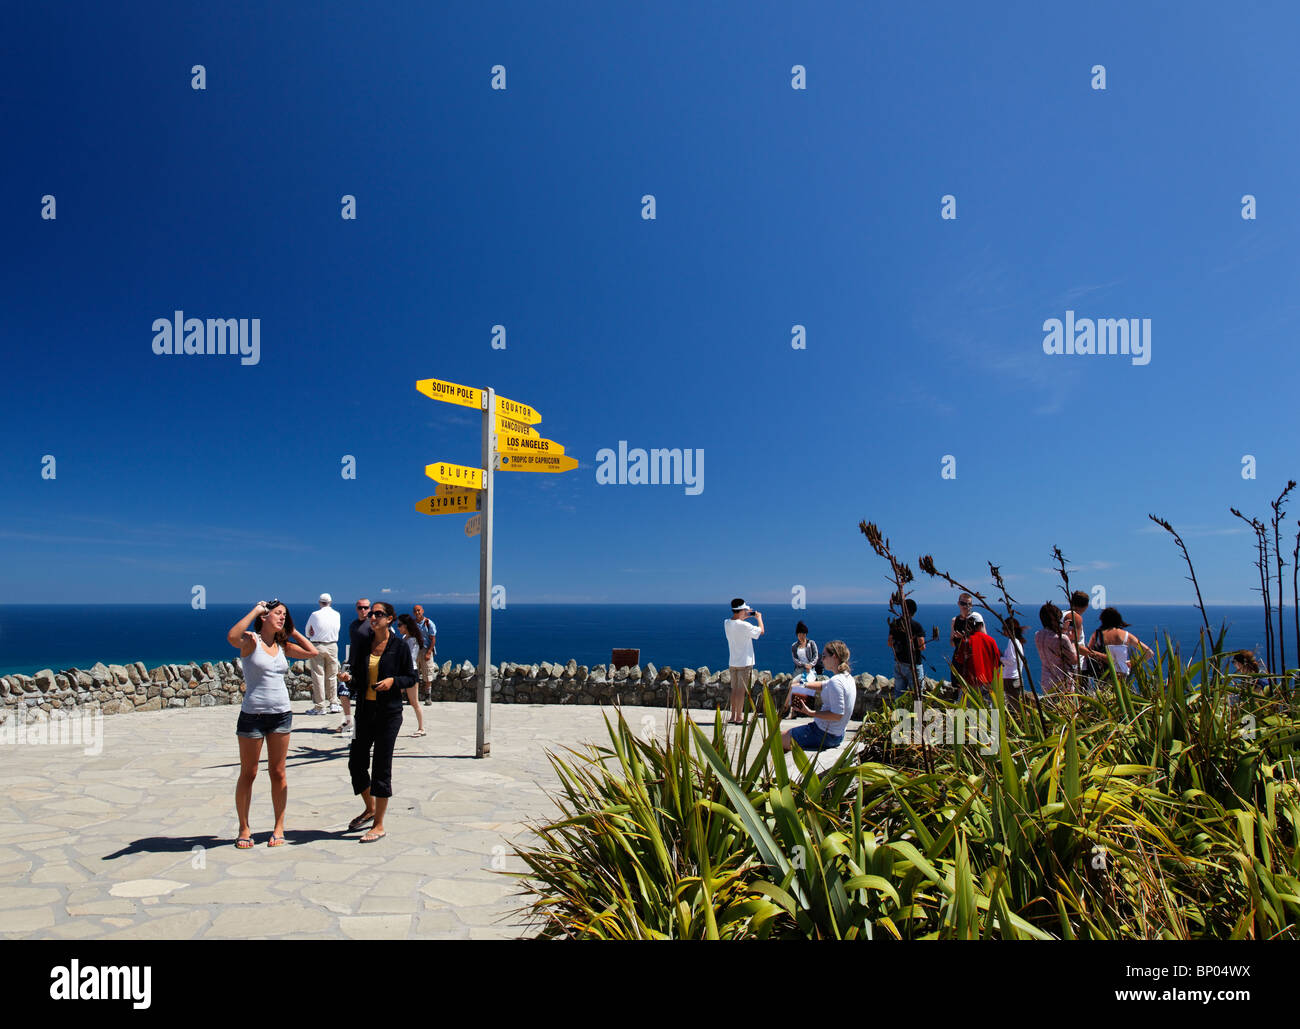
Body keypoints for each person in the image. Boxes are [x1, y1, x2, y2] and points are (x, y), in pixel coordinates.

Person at [226, 600, 318, 849]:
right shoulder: (251, 641)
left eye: (284, 615)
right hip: (252, 716)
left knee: (278, 773)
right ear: (265, 616)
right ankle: (244, 827)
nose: (281, 618)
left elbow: (312, 652)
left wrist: (292, 629)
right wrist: (256, 610)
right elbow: (231, 636)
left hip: (281, 715)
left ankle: (279, 826)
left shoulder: (282, 646)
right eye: (278, 614)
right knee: (250, 772)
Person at [338, 601, 416, 843]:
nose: (373, 617)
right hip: (365, 711)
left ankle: (379, 824)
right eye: (371, 613)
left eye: (378, 614)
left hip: (389, 713)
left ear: (390, 619)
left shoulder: (399, 646)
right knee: (356, 763)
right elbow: (358, 678)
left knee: (382, 766)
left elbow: (411, 677)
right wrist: (348, 678)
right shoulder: (363, 644)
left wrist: (394, 681)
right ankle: (369, 808)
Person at [782, 641, 856, 753]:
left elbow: (837, 715)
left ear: (834, 657)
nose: (822, 660)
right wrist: (803, 685)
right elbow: (823, 685)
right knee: (786, 739)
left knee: (777, 740)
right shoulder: (848, 678)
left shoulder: (836, 682)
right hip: (837, 734)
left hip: (823, 734)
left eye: (825, 656)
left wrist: (810, 712)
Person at [1086, 608, 1154, 687]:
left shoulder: (1097, 634)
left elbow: (1088, 652)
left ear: (1103, 620)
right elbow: (1149, 653)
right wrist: (1131, 662)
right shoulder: (1126, 635)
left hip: (1102, 675)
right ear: (1118, 619)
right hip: (1122, 676)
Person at [724, 598, 764, 724]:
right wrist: (758, 618)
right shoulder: (745, 626)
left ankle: (733, 716)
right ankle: (739, 718)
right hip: (745, 662)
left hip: (733, 662)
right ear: (741, 610)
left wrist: (744, 616)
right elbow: (761, 631)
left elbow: (736, 622)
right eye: (745, 610)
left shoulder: (727, 623)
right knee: (741, 692)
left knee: (734, 690)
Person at [334, 597, 371, 736]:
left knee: (365, 703)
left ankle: (364, 731)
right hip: (352, 666)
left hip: (367, 669)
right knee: (343, 692)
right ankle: (349, 721)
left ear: (370, 608)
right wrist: (346, 666)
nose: (363, 610)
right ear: (356, 609)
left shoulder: (373, 625)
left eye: (366, 607)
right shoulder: (353, 625)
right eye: (360, 607)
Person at [304, 592, 342, 716]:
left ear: (320, 602)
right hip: (333, 646)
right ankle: (334, 703)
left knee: (318, 676)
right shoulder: (337, 614)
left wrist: (312, 634)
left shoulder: (315, 614)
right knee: (332, 675)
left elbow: (307, 632)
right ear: (330, 602)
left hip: (318, 645)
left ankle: (320, 706)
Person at [1064, 591, 1107, 685]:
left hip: (1060, 665)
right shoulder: (1076, 618)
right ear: (1086, 605)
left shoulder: (1061, 614)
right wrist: (1102, 657)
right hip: (1076, 667)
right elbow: (1074, 646)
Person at [1035, 602, 1078, 694]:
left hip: (1046, 680)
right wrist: (1072, 641)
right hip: (1063, 681)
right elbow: (1074, 660)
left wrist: (1064, 631)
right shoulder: (1062, 638)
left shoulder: (1038, 635)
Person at [396, 614, 428, 737]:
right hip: (402, 672)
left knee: (414, 702)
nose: (398, 627)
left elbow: (410, 658)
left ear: (406, 625)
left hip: (410, 672)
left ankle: (421, 728)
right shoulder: (405, 638)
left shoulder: (413, 640)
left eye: (400, 625)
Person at [888, 598, 926, 699]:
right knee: (917, 696)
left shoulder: (894, 624)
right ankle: (918, 714)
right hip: (914, 664)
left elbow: (889, 643)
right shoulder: (917, 626)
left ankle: (899, 714)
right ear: (914, 611)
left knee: (899, 694)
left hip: (899, 663)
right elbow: (922, 647)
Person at [964, 613, 1003, 696]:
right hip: (989, 684)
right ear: (982, 625)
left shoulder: (967, 641)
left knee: (968, 708)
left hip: (972, 684)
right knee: (989, 709)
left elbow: (960, 660)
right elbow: (997, 662)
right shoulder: (991, 641)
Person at [785, 621, 818, 715]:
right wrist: (804, 665)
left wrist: (811, 665)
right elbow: (795, 659)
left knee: (796, 686)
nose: (801, 636)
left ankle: (788, 710)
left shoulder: (811, 644)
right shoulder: (794, 646)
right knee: (793, 685)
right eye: (799, 634)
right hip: (800, 670)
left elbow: (816, 656)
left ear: (806, 634)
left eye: (803, 634)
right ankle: (789, 709)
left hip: (810, 670)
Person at [949, 594, 978, 689]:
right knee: (958, 685)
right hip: (958, 657)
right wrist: (954, 637)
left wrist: (963, 638)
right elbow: (952, 643)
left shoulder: (975, 620)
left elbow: (982, 640)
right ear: (958, 603)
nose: (966, 606)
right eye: (963, 603)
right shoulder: (955, 620)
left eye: (969, 604)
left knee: (971, 686)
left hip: (971, 658)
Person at [412, 604, 437, 703]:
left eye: (418, 610)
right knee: (414, 673)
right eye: (415, 611)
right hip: (415, 651)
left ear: (422, 611)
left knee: (428, 674)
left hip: (426, 650)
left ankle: (428, 697)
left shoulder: (428, 623)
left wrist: (429, 652)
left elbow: (433, 639)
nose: (417, 612)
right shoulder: (413, 624)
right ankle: (414, 697)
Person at [999, 617, 1029, 695]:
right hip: (1015, 678)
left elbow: (1011, 661)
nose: (1003, 632)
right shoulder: (1017, 641)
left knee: (1015, 704)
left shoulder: (1012, 641)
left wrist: (1000, 658)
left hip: (1011, 679)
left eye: (1004, 629)